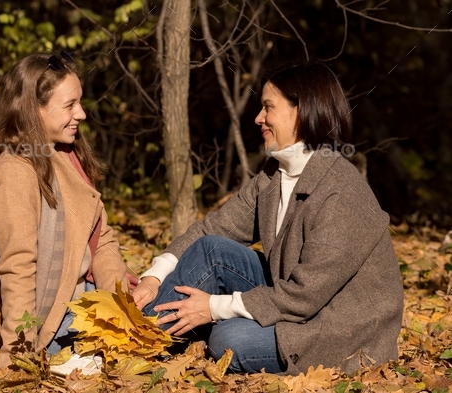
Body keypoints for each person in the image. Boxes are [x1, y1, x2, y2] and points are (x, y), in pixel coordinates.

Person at [132, 61, 404, 375]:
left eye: (268, 108)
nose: (258, 118)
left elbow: (304, 296)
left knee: (228, 337)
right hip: (293, 299)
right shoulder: (274, 174)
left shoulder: (341, 191)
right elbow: (216, 228)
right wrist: (154, 277)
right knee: (211, 249)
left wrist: (214, 308)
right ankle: (125, 339)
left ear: (301, 112)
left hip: (338, 328)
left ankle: (139, 339)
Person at [0, 51, 134, 369]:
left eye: (80, 102)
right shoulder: (13, 171)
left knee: (193, 273)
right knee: (203, 269)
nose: (82, 114)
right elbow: (17, 267)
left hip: (86, 299)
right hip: (51, 318)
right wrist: (19, 357)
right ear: (34, 110)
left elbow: (101, 238)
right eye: (70, 105)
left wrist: (121, 305)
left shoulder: (64, 154)